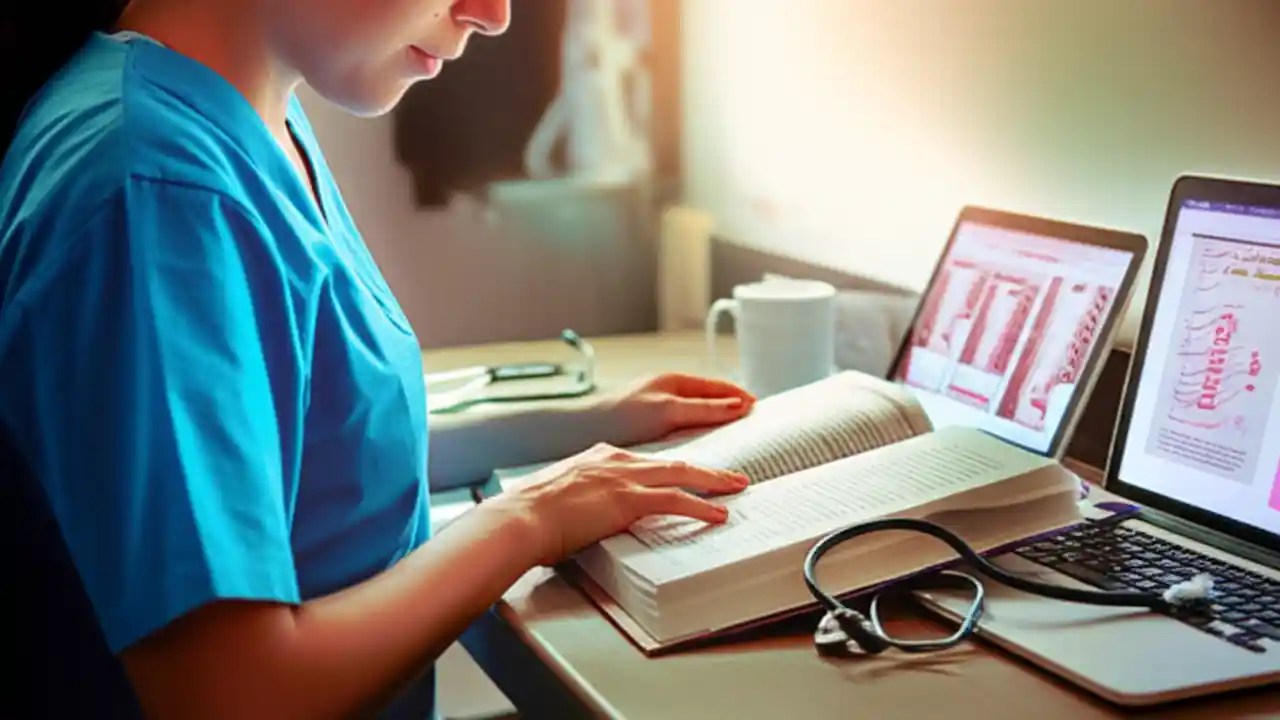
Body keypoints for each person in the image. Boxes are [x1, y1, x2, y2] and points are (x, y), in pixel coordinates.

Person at [0, 1, 757, 717]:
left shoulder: (255, 112)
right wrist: (532, 516)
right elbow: (233, 695)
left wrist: (579, 426)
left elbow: (311, 458)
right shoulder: (159, 192)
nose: (493, 15)